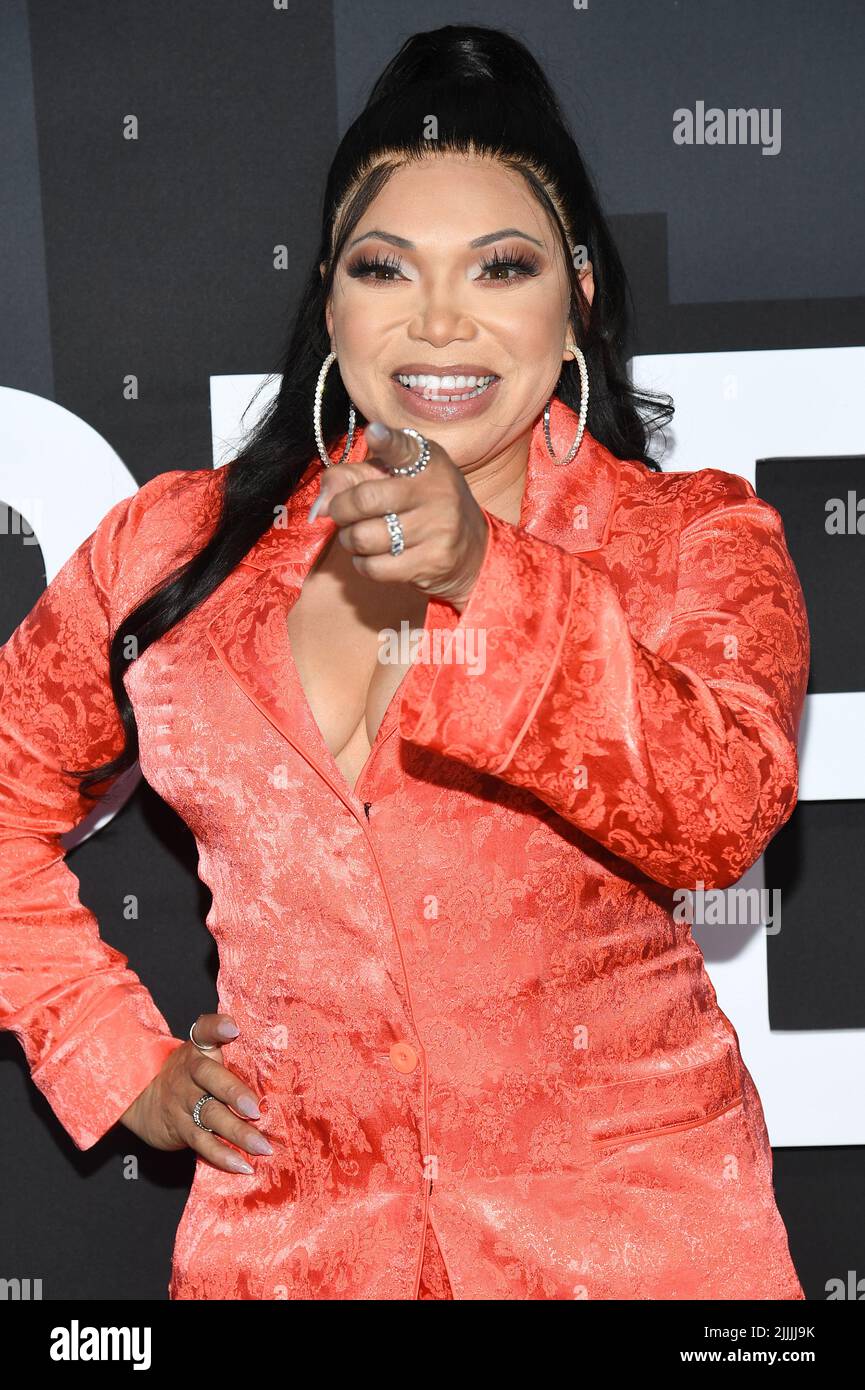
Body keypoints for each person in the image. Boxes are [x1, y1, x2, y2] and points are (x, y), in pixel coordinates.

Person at [0, 24, 809, 1300]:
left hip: (639, 1262)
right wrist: (117, 1061)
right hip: (290, 1257)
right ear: (330, 300)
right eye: (387, 269)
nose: (441, 321)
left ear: (577, 293)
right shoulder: (174, 548)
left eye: (501, 267)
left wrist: (487, 573)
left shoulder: (687, 539)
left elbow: (724, 812)